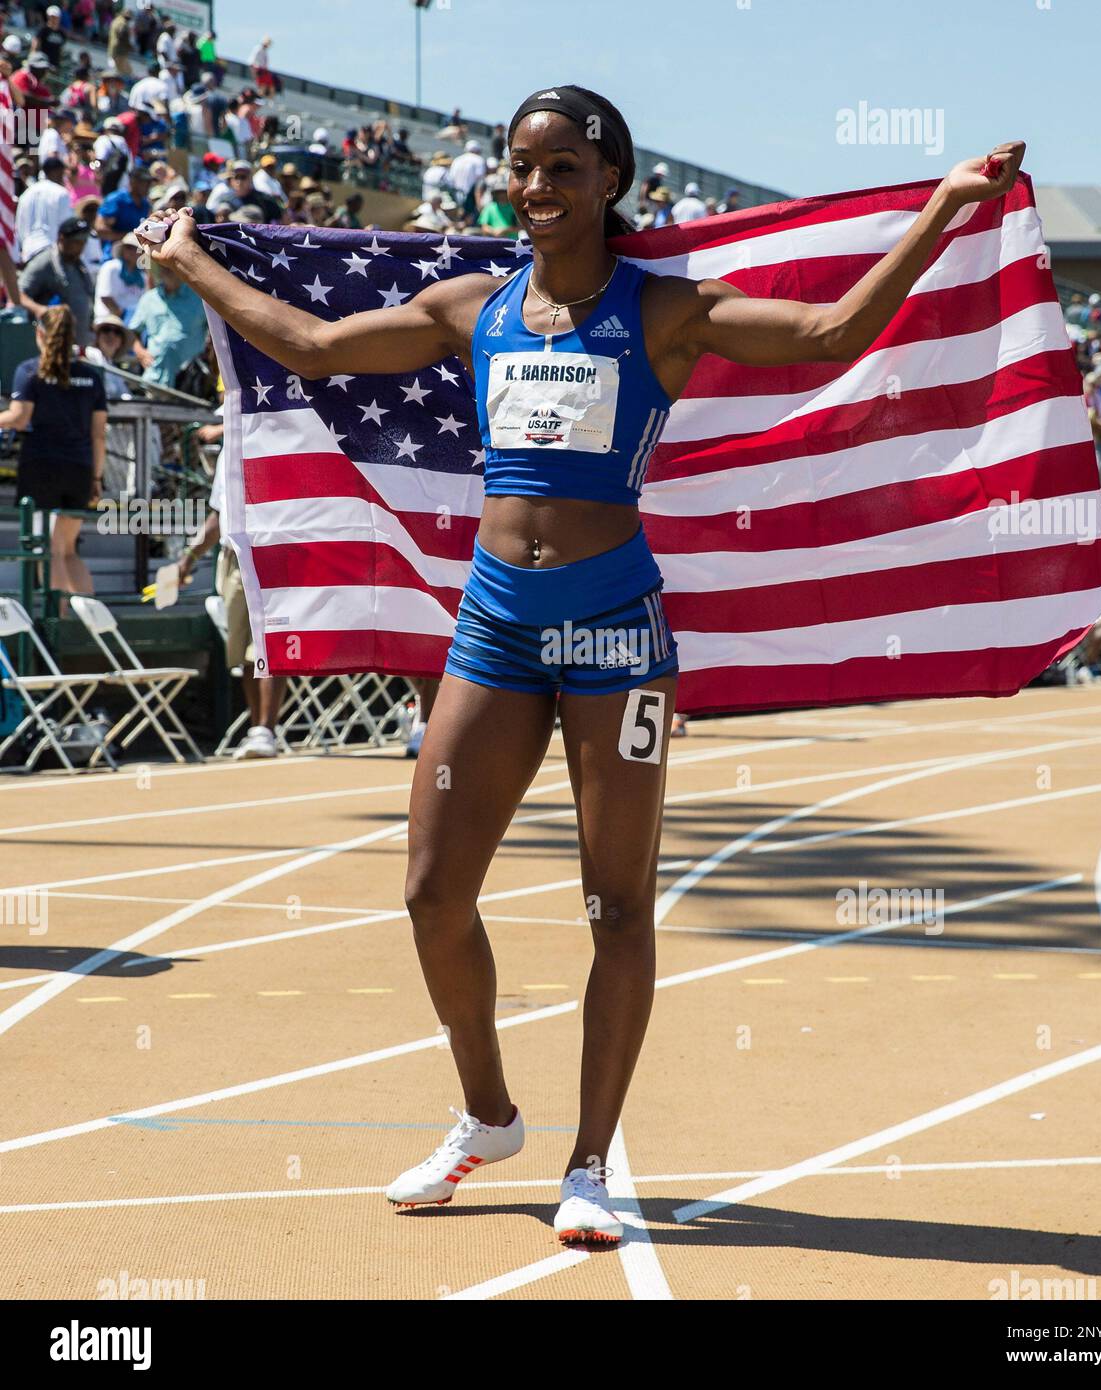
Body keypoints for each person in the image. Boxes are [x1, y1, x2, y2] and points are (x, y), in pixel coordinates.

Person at [138, 84, 1024, 1246]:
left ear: (610, 181)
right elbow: (311, 345)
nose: (535, 187)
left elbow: (831, 336)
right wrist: (191, 260)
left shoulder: (662, 309)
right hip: (498, 626)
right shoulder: (474, 307)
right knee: (431, 890)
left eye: (561, 168)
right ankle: (487, 1114)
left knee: (616, 904)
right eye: (520, 167)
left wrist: (945, 207)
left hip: (618, 637)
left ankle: (592, 1163)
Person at [178, 431, 289, 757]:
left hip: (267, 550)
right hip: (230, 556)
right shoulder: (230, 447)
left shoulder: (273, 438)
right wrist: (189, 557)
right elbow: (218, 512)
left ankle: (265, 729)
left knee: (268, 645)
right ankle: (258, 729)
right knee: (242, 653)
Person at [0, 305, 106, 612]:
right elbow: (99, 435)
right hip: (81, 471)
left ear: (40, 334)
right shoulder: (91, 377)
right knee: (68, 550)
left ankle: (55, 626)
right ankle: (91, 627)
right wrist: (96, 478)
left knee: (50, 551)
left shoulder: (30, 371)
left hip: (41, 468)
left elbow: (19, 418)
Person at [19, 214, 96, 346]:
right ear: (62, 238)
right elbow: (18, 294)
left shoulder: (79, 266)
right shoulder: (45, 262)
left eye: (84, 241)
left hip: (78, 344)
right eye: (77, 241)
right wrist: (39, 310)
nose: (81, 246)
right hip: (51, 342)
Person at [128, 259, 206, 386]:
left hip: (191, 381)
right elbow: (132, 332)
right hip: (154, 378)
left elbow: (215, 334)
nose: (166, 269)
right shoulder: (148, 299)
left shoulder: (199, 298)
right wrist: (140, 353)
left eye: (171, 264)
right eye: (162, 265)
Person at [15, 155, 73, 261]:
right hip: (52, 253)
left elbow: (19, 226)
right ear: (57, 171)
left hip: (28, 253)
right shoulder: (61, 193)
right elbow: (66, 226)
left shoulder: (26, 194)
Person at [94, 230, 144, 321]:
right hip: (108, 321)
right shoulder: (111, 267)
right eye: (129, 247)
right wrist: (123, 318)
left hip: (133, 323)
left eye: (136, 249)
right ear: (123, 249)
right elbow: (105, 297)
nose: (132, 252)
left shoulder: (142, 276)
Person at [448, 138, 486, 221]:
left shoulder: (457, 160)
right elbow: (480, 180)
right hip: (471, 197)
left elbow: (451, 179)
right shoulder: (479, 160)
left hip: (456, 195)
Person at [32, 5, 68, 72]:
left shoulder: (62, 33)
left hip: (54, 66)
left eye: (56, 17)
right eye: (52, 17)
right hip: (41, 64)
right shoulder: (43, 30)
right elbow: (35, 46)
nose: (54, 19)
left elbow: (61, 50)